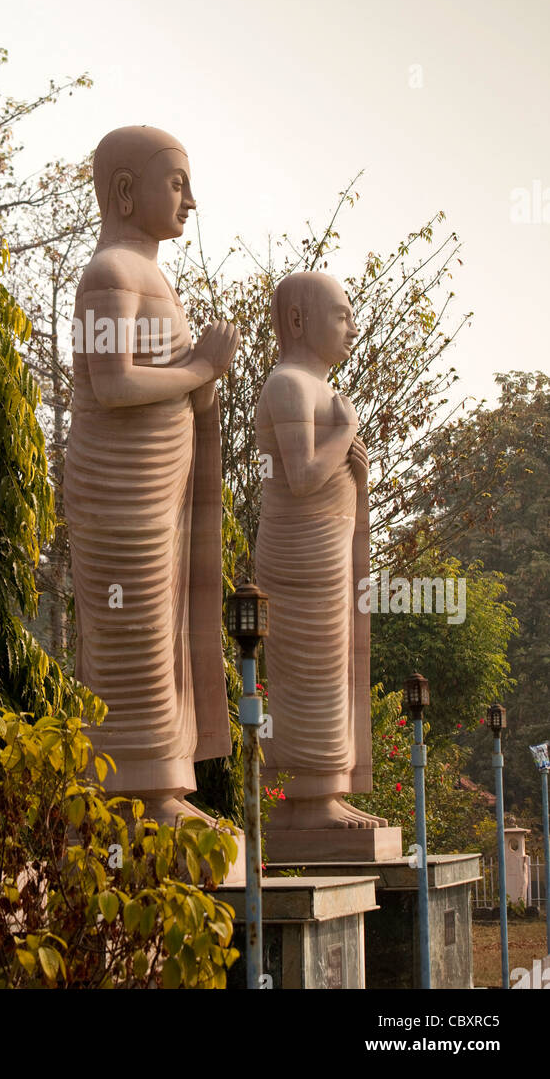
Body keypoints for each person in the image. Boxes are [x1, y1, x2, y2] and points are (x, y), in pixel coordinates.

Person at [64, 125, 239, 822]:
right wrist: (200, 368)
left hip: (159, 486)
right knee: (130, 628)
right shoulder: (108, 274)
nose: (191, 200)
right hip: (118, 487)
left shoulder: (151, 275)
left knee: (161, 627)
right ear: (127, 192)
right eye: (177, 183)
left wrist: (200, 384)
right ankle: (131, 789)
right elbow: (109, 386)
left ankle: (155, 784)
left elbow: (164, 384)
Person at [254, 270, 386, 830]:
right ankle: (304, 801)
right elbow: (304, 475)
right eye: (341, 314)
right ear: (300, 321)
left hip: (329, 554)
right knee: (305, 674)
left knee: (336, 670)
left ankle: (327, 792)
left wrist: (358, 472)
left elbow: (332, 474)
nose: (352, 326)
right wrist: (346, 430)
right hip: (298, 557)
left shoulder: (322, 389)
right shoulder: (288, 384)